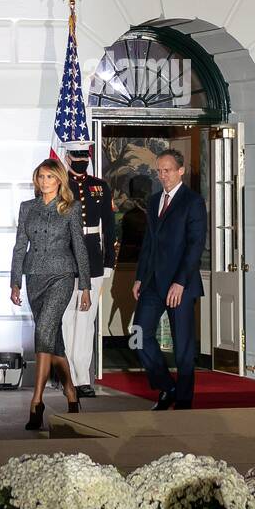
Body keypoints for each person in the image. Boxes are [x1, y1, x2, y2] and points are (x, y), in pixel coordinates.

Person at [10, 158, 92, 430]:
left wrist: (85, 286)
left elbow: (80, 248)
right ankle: (70, 389)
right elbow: (19, 247)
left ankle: (37, 401)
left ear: (59, 180)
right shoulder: (27, 208)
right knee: (53, 341)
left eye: (49, 177)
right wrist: (15, 282)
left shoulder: (71, 208)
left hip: (62, 276)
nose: (44, 182)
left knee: (43, 331)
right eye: (40, 177)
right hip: (34, 278)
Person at [133, 149, 206, 410]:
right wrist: (140, 278)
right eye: (159, 171)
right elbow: (148, 244)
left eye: (168, 170)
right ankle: (167, 387)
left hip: (181, 285)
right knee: (139, 335)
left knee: (183, 345)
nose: (163, 175)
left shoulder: (193, 202)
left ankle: (184, 400)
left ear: (180, 171)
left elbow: (195, 246)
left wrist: (181, 282)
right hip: (153, 282)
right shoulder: (154, 202)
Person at [59, 140, 116, 398]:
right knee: (66, 318)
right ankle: (67, 374)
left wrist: (109, 262)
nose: (81, 159)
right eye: (76, 155)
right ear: (68, 157)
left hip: (93, 259)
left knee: (87, 319)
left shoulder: (100, 187)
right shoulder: (59, 185)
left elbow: (110, 227)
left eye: (85, 155)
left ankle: (83, 376)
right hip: (66, 258)